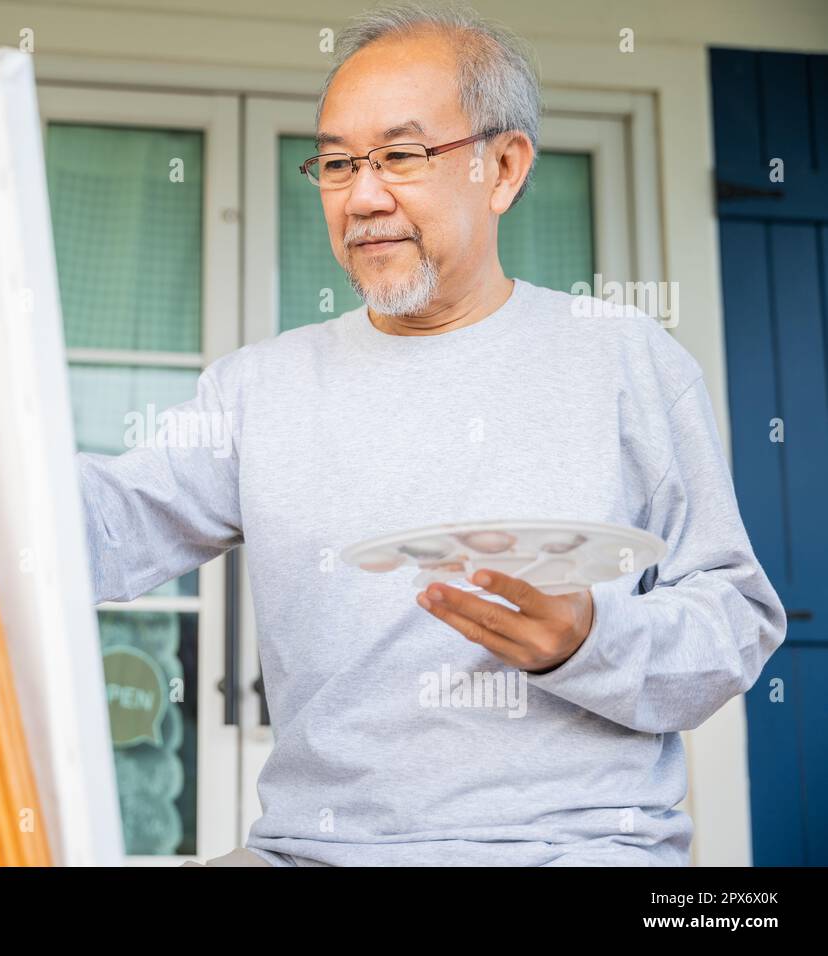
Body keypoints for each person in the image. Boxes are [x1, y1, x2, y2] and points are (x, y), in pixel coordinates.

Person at [76, 3, 786, 866]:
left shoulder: (627, 361)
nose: (362, 196)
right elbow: (100, 527)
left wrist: (587, 640)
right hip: (309, 852)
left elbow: (735, 623)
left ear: (504, 168)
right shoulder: (258, 387)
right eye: (337, 163)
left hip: (572, 848)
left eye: (401, 156)